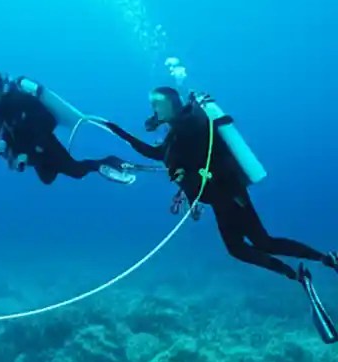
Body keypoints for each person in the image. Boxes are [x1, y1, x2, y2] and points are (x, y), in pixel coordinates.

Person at [102, 86, 338, 343]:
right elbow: (157, 154)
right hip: (221, 198)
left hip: (229, 195)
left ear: (171, 104)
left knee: (261, 243)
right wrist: (115, 129)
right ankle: (308, 269)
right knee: (248, 246)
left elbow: (184, 158)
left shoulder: (189, 124)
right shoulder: (179, 128)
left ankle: (317, 264)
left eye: (156, 105)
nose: (153, 110)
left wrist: (186, 181)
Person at [0, 69, 134, 185]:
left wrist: (38, 145)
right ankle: (95, 162)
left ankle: (105, 163)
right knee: (47, 178)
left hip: (43, 143)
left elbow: (48, 120)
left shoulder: (21, 99)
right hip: (30, 150)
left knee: (76, 171)